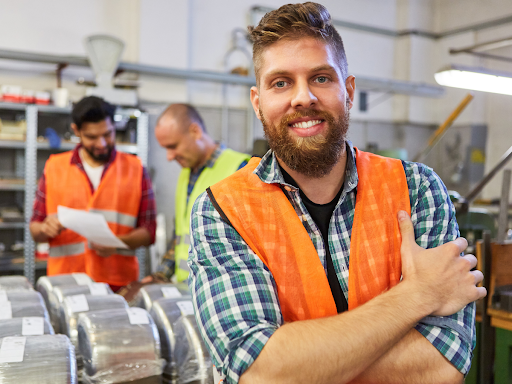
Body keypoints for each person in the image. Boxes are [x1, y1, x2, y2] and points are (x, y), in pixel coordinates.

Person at [187, 3, 486, 384]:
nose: (303, 98)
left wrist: (305, 364)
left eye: (321, 78)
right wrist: (418, 295)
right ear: (257, 102)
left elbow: (441, 366)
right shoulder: (222, 210)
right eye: (281, 82)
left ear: (348, 91)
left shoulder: (417, 189)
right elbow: (260, 371)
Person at [30, 96, 156, 291]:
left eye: (108, 134)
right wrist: (45, 229)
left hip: (118, 285)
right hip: (66, 284)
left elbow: (149, 232)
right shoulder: (54, 167)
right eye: (92, 137)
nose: (102, 143)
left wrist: (118, 243)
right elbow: (35, 229)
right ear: (76, 131)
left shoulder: (136, 169)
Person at [145, 103, 250, 283]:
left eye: (173, 146)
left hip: (219, 294)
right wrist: (160, 275)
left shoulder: (239, 170)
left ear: (195, 132)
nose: (169, 157)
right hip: (184, 291)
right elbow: (180, 234)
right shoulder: (186, 173)